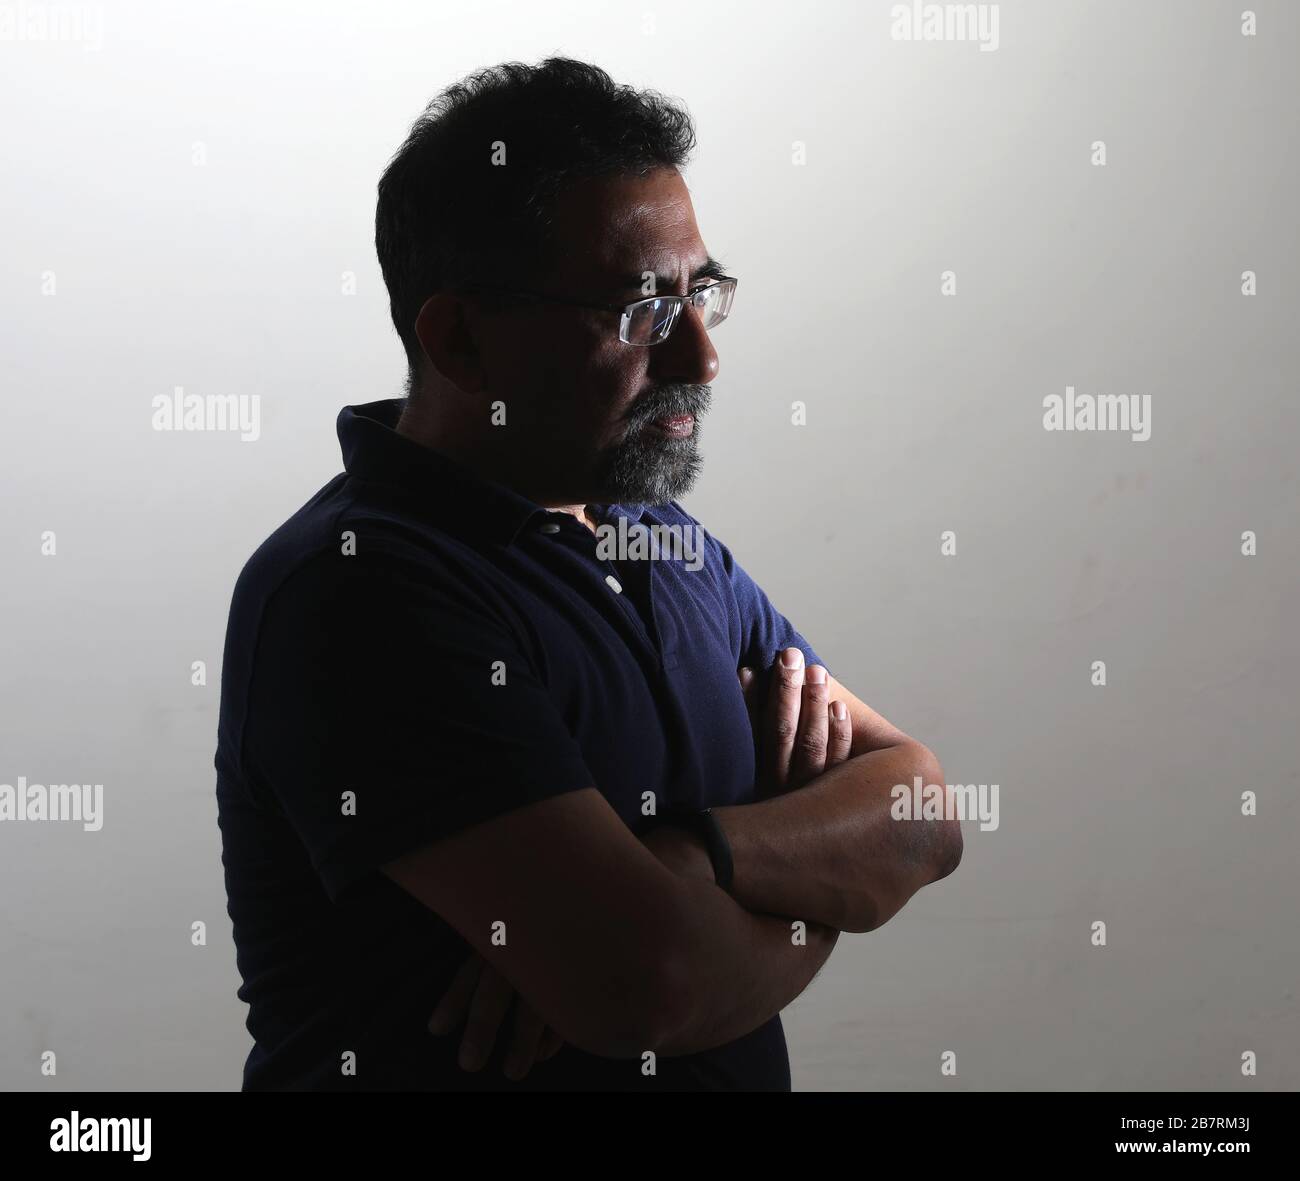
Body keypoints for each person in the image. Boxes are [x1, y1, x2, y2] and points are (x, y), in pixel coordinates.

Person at [214, 56, 961, 1091]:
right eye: (641, 311)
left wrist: (695, 860)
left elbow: (923, 810)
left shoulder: (666, 542)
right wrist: (827, 891)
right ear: (462, 339)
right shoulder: (356, 591)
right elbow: (646, 982)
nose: (701, 356)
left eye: (704, 294)